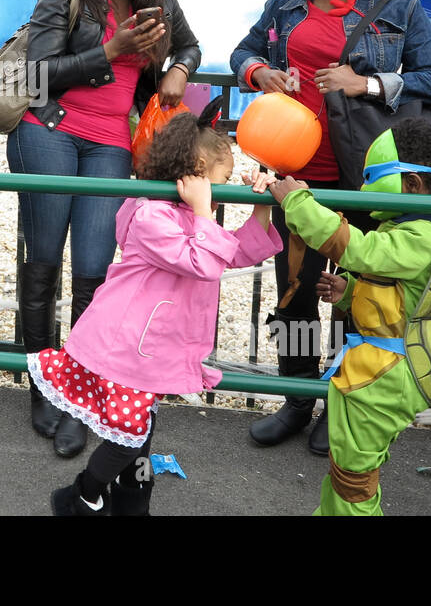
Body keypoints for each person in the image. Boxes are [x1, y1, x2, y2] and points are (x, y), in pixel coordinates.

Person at [230, 0, 431, 454]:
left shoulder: (399, 8)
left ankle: (344, 400)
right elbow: (241, 53)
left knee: (359, 294)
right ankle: (298, 398)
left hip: (365, 180)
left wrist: (369, 83)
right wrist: (260, 73)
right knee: (295, 295)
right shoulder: (284, 5)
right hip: (296, 178)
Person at [9, 0, 202, 459]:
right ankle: (41, 382)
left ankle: (80, 389)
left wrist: (179, 70)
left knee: (95, 270)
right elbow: (36, 73)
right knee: (44, 255)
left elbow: (188, 43)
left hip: (113, 141)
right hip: (50, 127)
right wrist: (110, 50)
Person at [30, 103, 281, 515]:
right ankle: (80, 495)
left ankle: (132, 504)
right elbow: (203, 263)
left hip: (152, 348)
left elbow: (231, 254)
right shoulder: (152, 215)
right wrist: (203, 210)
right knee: (129, 432)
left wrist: (262, 205)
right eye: (223, 179)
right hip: (129, 348)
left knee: (139, 433)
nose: (226, 187)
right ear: (198, 171)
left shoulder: (188, 216)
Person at [268, 117, 431, 515]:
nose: (363, 189)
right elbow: (409, 302)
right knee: (347, 473)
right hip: (379, 369)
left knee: (354, 486)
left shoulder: (423, 234)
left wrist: (297, 202)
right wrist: (351, 293)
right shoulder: (426, 226)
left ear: (411, 184)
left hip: (385, 377)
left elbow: (357, 251)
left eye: (373, 177)